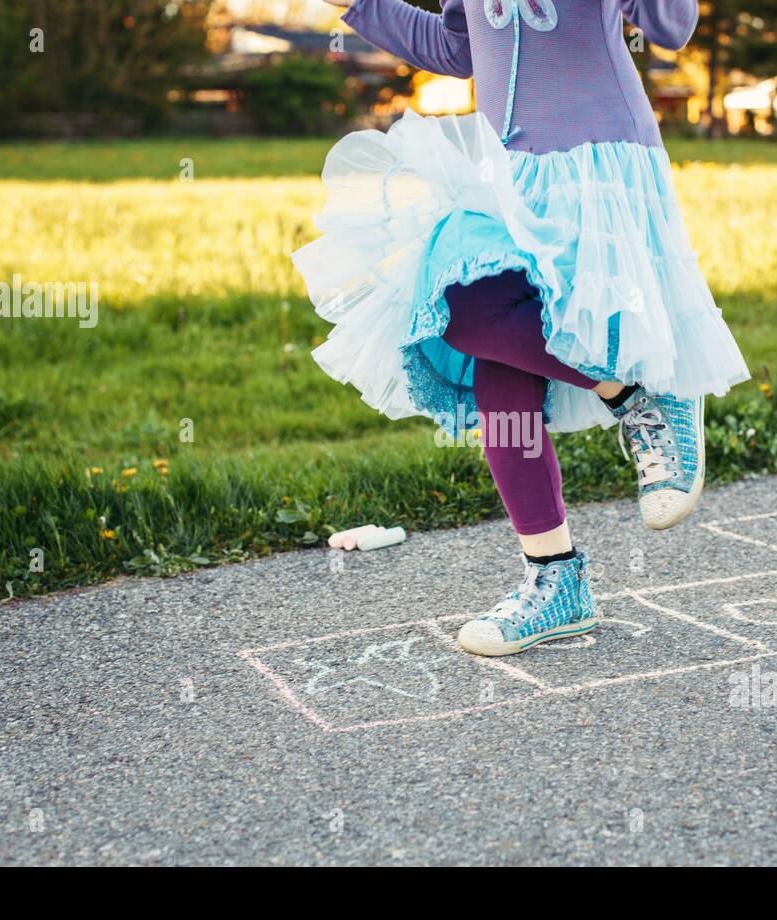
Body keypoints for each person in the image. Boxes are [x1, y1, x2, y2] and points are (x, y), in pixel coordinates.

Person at [293, 0, 750, 655]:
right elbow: (460, 47)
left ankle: (646, 403)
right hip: (507, 172)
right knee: (468, 310)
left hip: (597, 165)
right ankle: (562, 567)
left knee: (488, 334)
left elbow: (671, 27)